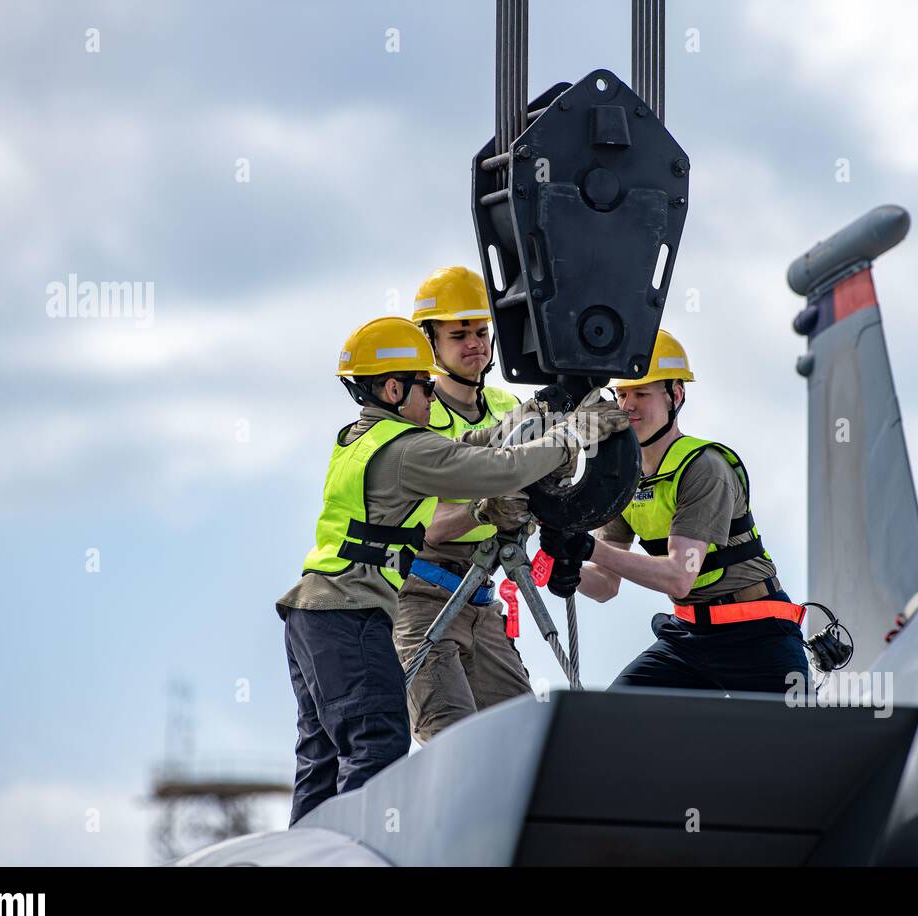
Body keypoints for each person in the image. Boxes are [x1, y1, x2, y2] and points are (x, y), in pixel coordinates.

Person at [276, 315, 627, 824]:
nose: (429, 397)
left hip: (314, 614)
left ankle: (305, 855)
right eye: (422, 386)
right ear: (394, 388)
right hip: (350, 616)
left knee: (323, 758)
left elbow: (466, 452)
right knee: (377, 745)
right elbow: (499, 470)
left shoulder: (364, 438)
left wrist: (529, 416)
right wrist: (577, 433)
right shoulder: (406, 449)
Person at [539, 329, 811, 694]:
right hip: (688, 638)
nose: (627, 405)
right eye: (621, 394)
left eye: (641, 393)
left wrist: (586, 547)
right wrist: (561, 566)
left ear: (675, 395)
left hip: (758, 636)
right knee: (612, 723)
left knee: (785, 749)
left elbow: (678, 578)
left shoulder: (705, 467)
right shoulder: (623, 478)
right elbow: (606, 584)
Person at [392, 266, 534, 742]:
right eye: (459, 335)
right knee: (450, 742)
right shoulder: (417, 417)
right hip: (421, 597)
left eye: (481, 332)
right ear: (429, 344)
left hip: (481, 597)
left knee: (520, 738)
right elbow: (425, 524)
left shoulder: (505, 406)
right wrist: (483, 508)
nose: (476, 344)